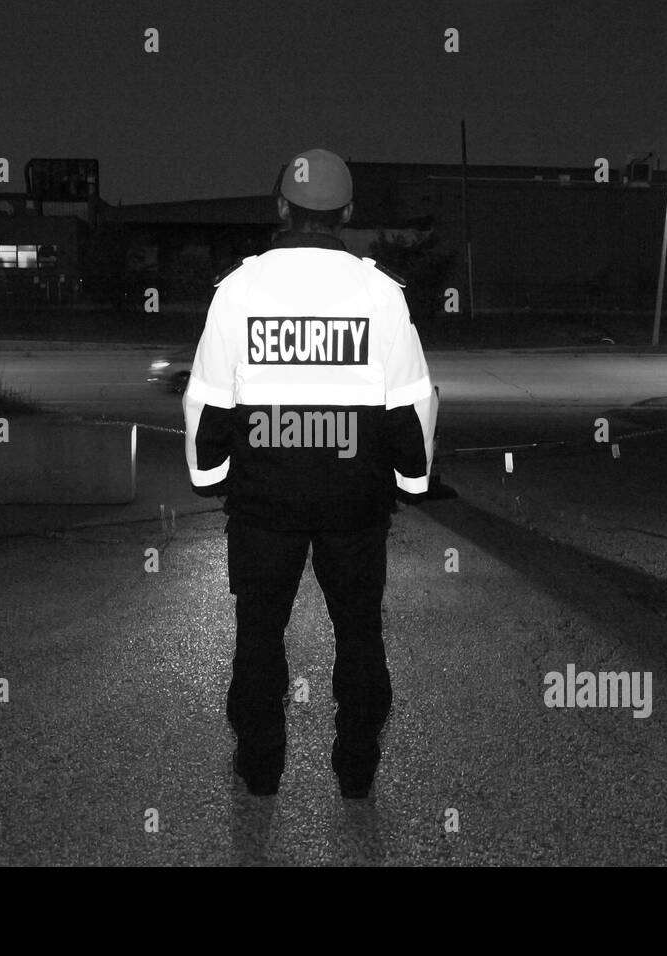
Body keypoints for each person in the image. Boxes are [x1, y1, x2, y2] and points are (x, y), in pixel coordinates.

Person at [183, 148, 437, 798]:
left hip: (265, 503)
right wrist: (411, 482)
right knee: (359, 633)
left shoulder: (238, 290)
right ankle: (356, 770)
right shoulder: (380, 293)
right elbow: (410, 405)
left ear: (280, 209)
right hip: (355, 503)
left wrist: (209, 473)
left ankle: (260, 768)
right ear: (347, 213)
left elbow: (209, 401)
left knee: (260, 635)